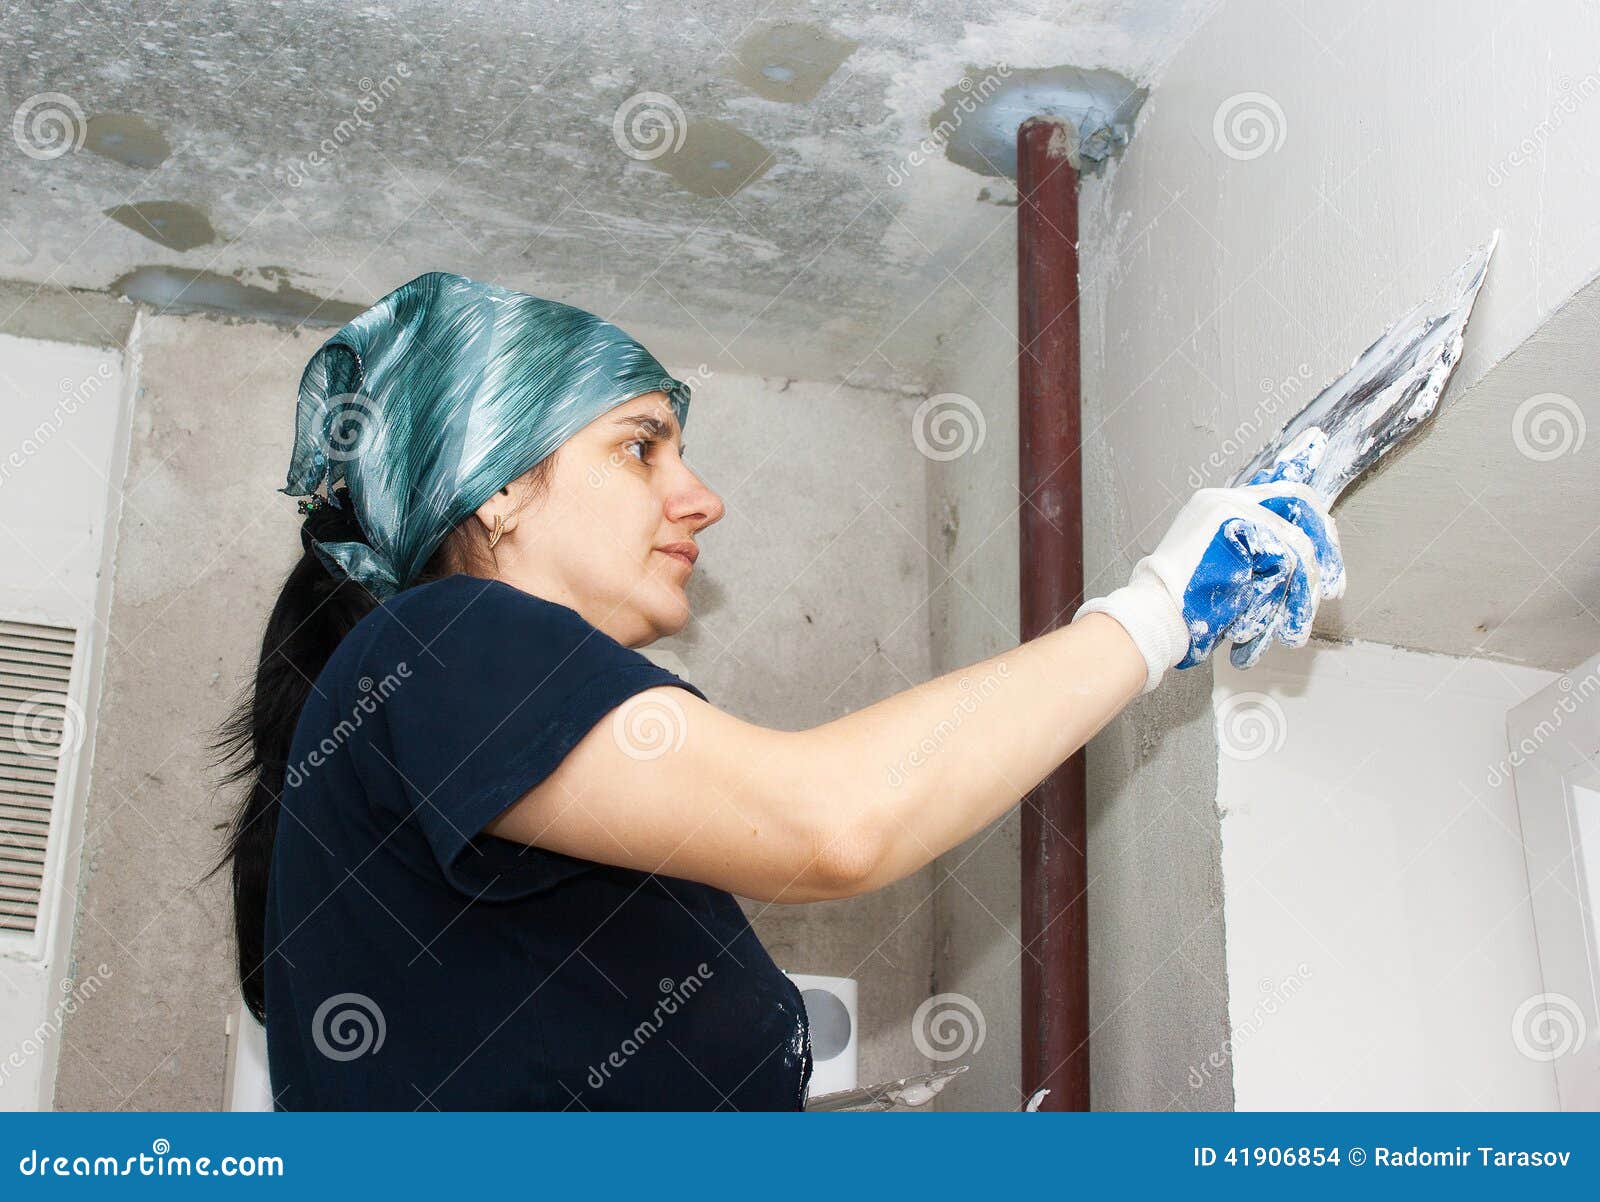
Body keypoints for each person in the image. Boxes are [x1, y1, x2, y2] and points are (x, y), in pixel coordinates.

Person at [211, 271, 1344, 1112]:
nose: (700, 495)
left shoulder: (455, 712)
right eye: (640, 446)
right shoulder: (450, 635)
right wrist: (1155, 611)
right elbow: (834, 823)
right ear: (499, 489)